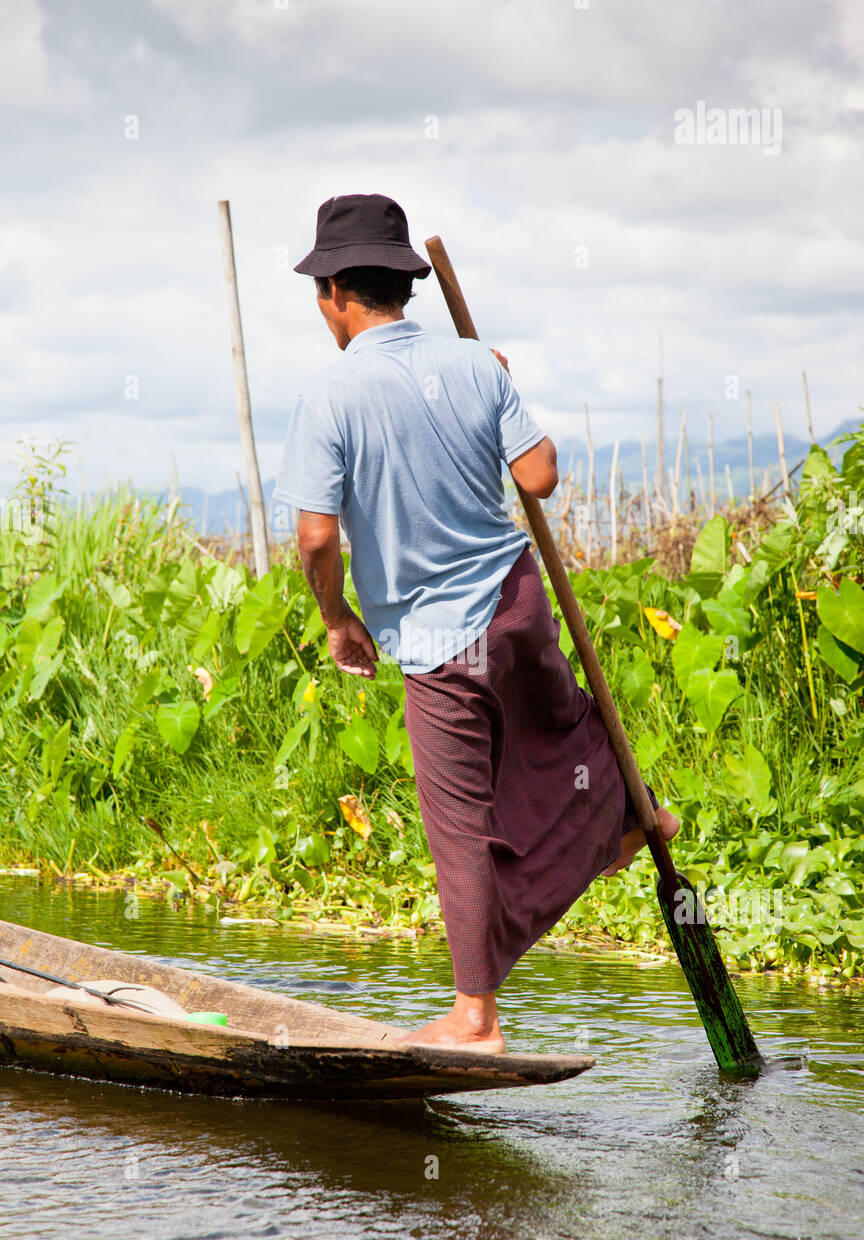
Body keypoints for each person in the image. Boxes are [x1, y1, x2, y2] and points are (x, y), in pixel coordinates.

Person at [274, 193, 679, 1053]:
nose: (322, 307)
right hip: (516, 601)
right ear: (405, 286)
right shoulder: (473, 365)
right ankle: (628, 821)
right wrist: (498, 384)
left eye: (321, 291)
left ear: (339, 291)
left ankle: (475, 1017)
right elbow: (538, 478)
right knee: (560, 737)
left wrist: (339, 617)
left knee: (460, 822)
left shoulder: (330, 398)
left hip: (436, 640)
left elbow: (315, 538)